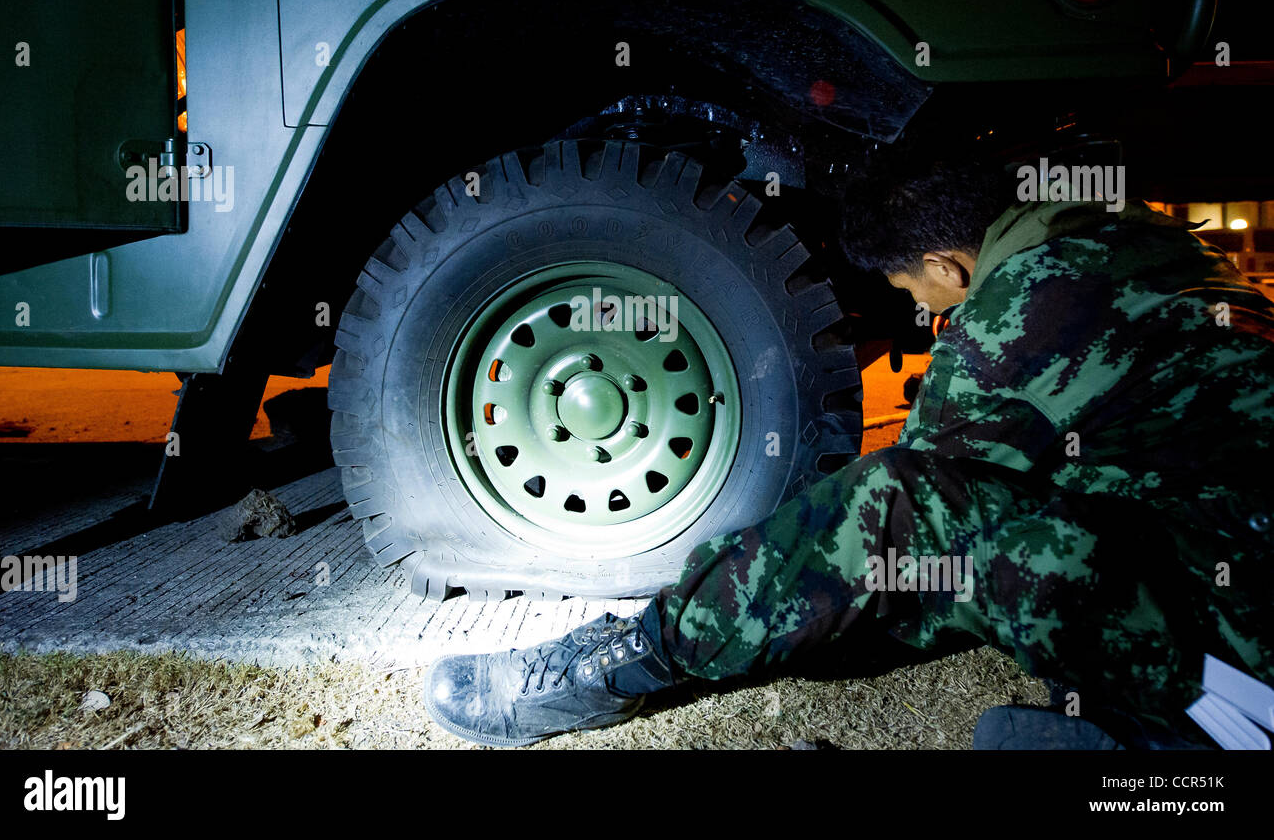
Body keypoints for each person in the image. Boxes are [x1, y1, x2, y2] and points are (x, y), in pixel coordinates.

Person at [423, 160, 1274, 749]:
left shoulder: (1011, 318)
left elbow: (894, 531)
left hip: (1245, 647)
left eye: (917, 293)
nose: (928, 313)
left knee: (900, 513)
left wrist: (766, 588)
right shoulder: (1155, 244)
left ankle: (640, 656)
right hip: (1231, 540)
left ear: (949, 260)